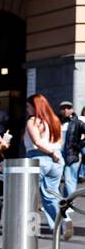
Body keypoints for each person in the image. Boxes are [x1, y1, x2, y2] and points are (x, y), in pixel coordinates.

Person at [24, 92, 65, 235]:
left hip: (39, 158)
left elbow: (36, 141)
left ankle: (32, 229)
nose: (27, 109)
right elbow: (60, 142)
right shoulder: (55, 120)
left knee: (31, 196)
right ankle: (64, 222)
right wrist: (54, 153)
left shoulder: (33, 121)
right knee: (52, 194)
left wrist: (50, 152)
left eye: (29, 106)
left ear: (35, 107)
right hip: (57, 160)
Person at [59, 101, 82, 234]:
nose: (66, 110)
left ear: (72, 109)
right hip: (58, 153)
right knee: (59, 180)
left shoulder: (77, 122)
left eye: (68, 108)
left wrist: (79, 145)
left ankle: (69, 203)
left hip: (71, 154)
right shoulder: (58, 121)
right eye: (63, 108)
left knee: (69, 180)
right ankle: (65, 201)